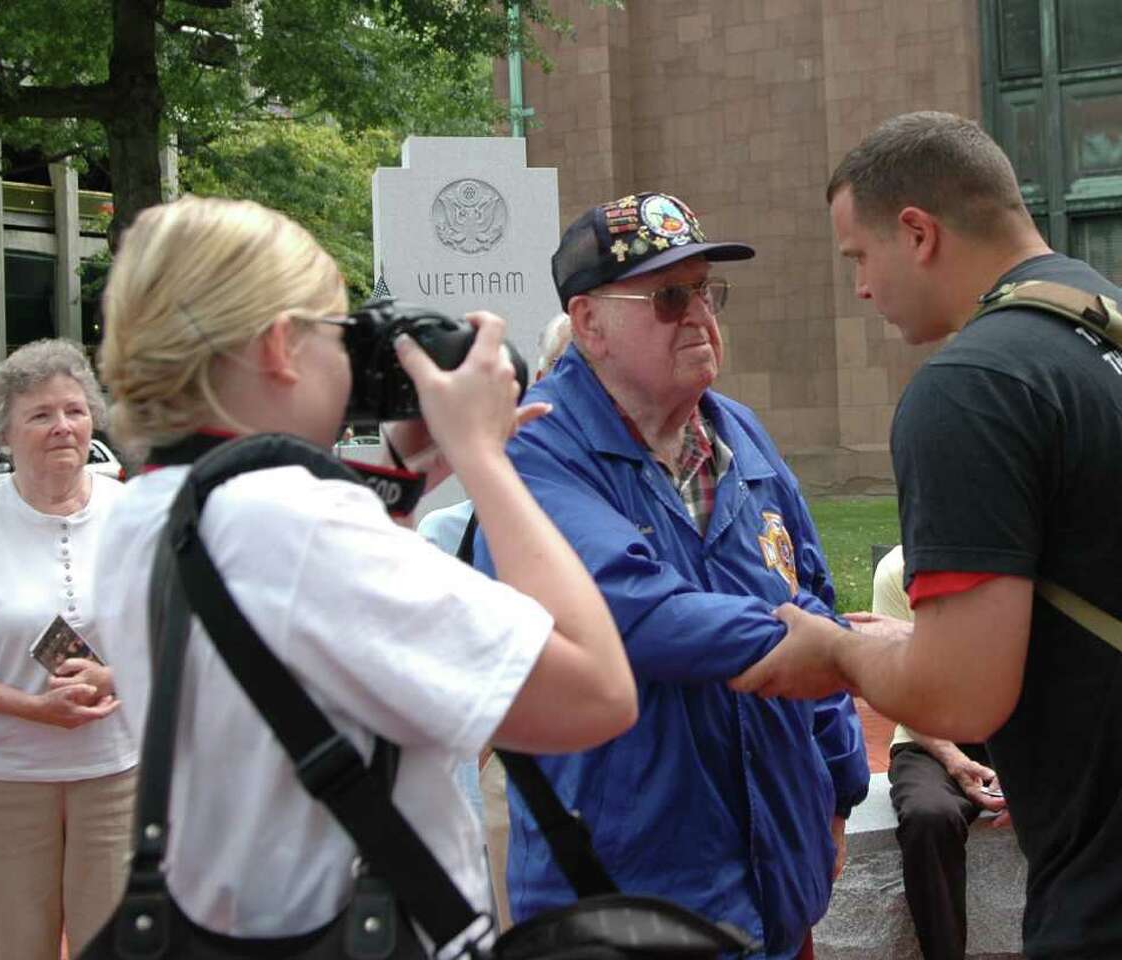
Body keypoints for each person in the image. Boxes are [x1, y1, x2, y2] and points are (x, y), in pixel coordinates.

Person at [94, 195, 637, 944]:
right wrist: (487, 463)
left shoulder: (142, 510)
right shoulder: (290, 521)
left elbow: (322, 650)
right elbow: (596, 694)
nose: (352, 360)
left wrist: (406, 480)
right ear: (281, 346)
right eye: (339, 331)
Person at [731, 111, 1122, 958]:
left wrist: (839, 653)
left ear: (917, 232)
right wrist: (924, 639)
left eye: (858, 258)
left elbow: (960, 696)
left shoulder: (972, 386)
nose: (862, 288)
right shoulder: (1102, 325)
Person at [474, 191, 870, 959]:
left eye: (704, 292)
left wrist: (840, 785)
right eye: (666, 297)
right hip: (626, 901)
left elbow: (810, 591)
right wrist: (844, 651)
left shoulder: (739, 430)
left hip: (775, 891)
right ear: (588, 323)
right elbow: (632, 609)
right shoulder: (535, 448)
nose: (698, 314)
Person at [0, 339, 135, 960]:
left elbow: (171, 630)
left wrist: (114, 675)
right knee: (15, 948)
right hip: (1, 778)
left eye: (74, 410)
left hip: (116, 773)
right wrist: (32, 707)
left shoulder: (131, 513)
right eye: (40, 415)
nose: (62, 426)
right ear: (5, 433)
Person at [873, 546, 1010, 960]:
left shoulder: (1029, 564)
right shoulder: (898, 568)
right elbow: (900, 687)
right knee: (928, 816)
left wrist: (1031, 773)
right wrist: (952, 756)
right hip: (927, 733)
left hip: (1017, 732)